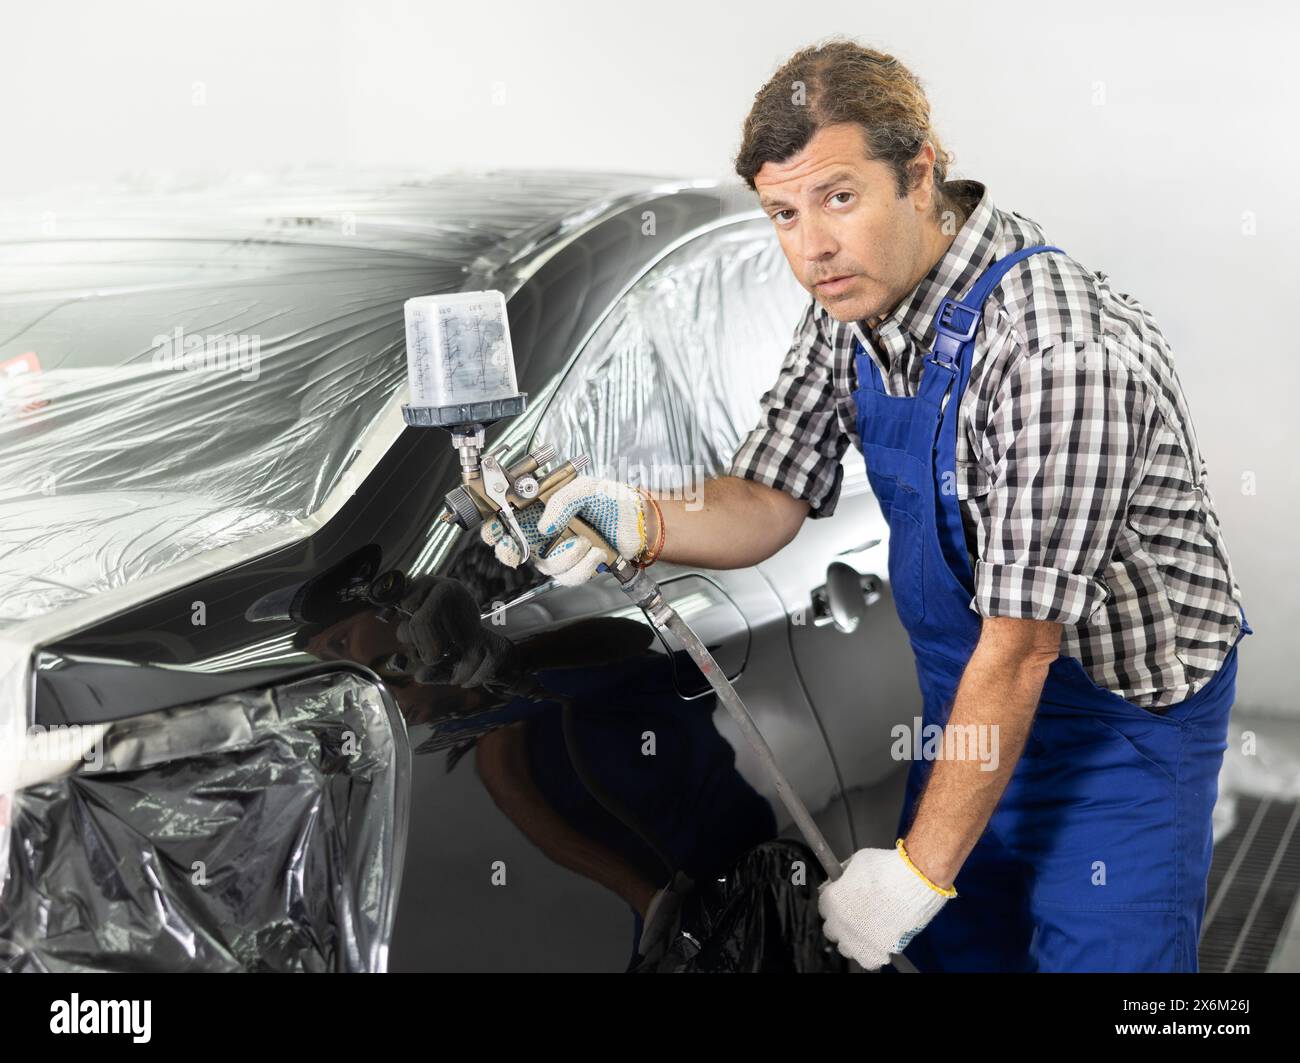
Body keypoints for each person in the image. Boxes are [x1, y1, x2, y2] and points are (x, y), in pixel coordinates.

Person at [483, 38, 1251, 972]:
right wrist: (639, 518)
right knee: (968, 957)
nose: (811, 247)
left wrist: (915, 877)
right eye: (782, 213)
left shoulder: (1059, 359)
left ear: (920, 173)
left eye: (838, 196)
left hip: (1114, 730)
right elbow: (767, 497)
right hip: (969, 713)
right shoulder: (855, 301)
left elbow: (1021, 648)